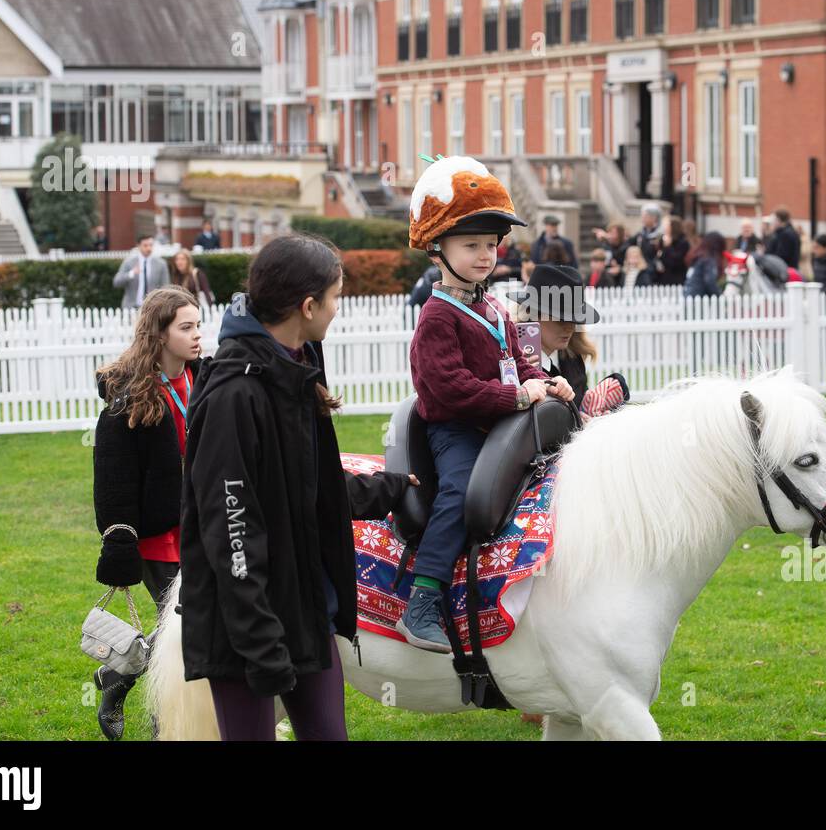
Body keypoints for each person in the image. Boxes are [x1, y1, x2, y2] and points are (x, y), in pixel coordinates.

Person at [178, 234, 414, 741]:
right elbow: (230, 529)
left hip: (305, 611)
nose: (336, 312)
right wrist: (261, 643)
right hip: (245, 629)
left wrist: (394, 489)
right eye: (335, 299)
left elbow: (314, 492)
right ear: (307, 306)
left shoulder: (296, 374)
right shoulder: (234, 395)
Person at [402, 156, 574, 652]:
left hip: (502, 428)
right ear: (437, 249)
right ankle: (424, 600)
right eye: (470, 245)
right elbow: (449, 387)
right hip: (455, 430)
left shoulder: (495, 306)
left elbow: (523, 361)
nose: (484, 255)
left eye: (490, 245)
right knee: (460, 493)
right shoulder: (437, 317)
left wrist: (547, 380)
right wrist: (517, 396)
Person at [91, 286, 203, 740]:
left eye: (198, 324)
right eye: (186, 327)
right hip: (158, 538)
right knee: (177, 641)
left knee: (185, 632)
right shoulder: (129, 397)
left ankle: (118, 675)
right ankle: (165, 728)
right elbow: (113, 479)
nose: (198, 335)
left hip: (202, 527)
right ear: (159, 335)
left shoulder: (203, 378)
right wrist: (119, 542)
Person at [512, 263, 628, 423]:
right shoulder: (512, 363)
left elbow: (581, 403)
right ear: (532, 314)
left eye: (573, 320)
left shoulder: (572, 359)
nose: (569, 327)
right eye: (560, 319)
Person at [112, 234, 171, 311]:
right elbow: (116, 282)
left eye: (151, 245)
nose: (149, 248)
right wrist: (131, 273)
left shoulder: (161, 263)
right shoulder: (129, 262)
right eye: (145, 245)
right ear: (138, 246)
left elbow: (166, 286)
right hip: (131, 307)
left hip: (153, 308)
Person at [684, 231, 725, 297]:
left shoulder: (700, 257)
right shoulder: (708, 260)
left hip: (689, 295)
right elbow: (709, 281)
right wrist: (719, 295)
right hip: (698, 297)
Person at [656, 217, 690, 286]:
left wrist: (668, 247)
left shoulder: (683, 242)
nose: (664, 228)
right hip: (663, 277)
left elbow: (676, 261)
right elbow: (659, 256)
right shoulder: (663, 240)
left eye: (667, 226)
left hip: (677, 278)